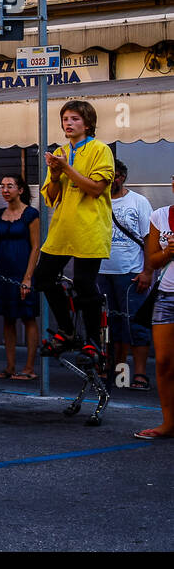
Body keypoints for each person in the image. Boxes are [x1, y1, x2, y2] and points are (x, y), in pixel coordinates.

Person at [34, 100, 114, 365]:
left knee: (84, 283)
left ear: (88, 123)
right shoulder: (60, 151)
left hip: (89, 227)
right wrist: (55, 175)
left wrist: (66, 168)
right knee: (43, 278)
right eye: (65, 118)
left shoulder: (100, 149)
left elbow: (95, 189)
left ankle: (93, 342)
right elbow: (51, 198)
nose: (68, 123)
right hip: (62, 228)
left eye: (75, 119)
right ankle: (68, 331)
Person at [98, 160, 153, 389]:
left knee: (136, 325)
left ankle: (139, 374)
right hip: (102, 272)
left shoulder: (138, 202)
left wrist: (147, 271)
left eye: (113, 176)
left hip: (130, 273)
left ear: (120, 177)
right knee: (112, 326)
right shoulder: (97, 200)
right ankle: (119, 372)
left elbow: (149, 238)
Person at [0, 175, 41, 381]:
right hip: (2, 272)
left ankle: (28, 368)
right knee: (7, 318)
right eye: (2, 186)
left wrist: (28, 277)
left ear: (20, 189)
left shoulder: (30, 214)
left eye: (10, 186)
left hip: (22, 272)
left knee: (28, 317)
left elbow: (36, 247)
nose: (5, 190)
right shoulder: (0, 214)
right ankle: (10, 366)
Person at [133, 183, 174, 439]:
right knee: (163, 362)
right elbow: (153, 260)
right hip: (167, 295)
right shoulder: (160, 215)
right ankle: (169, 423)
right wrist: (168, 252)